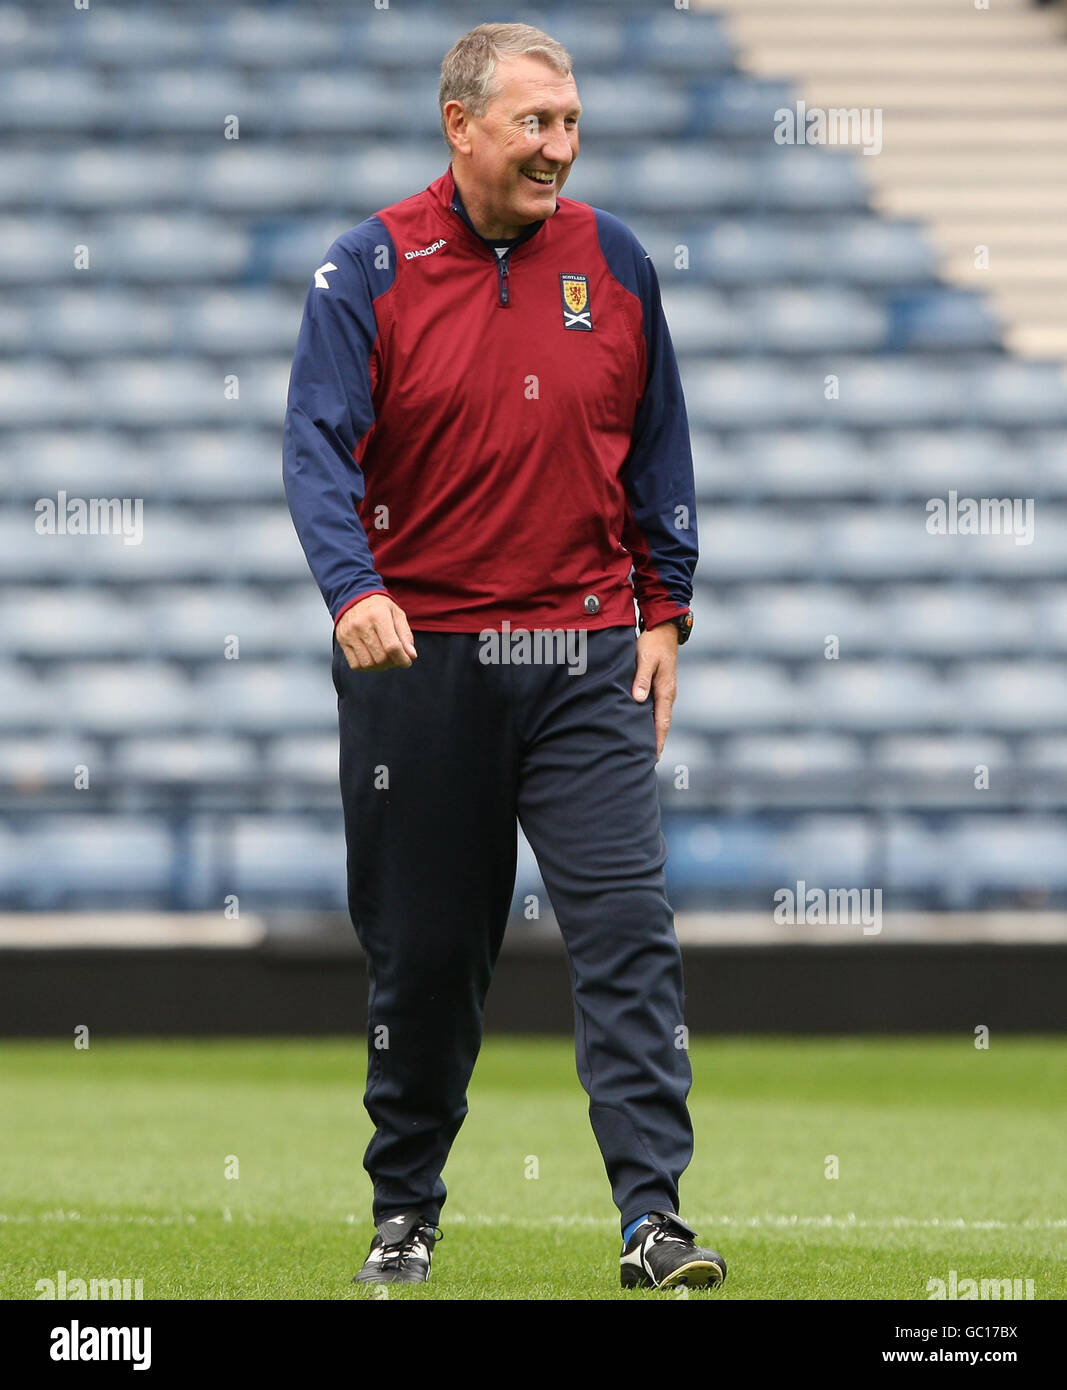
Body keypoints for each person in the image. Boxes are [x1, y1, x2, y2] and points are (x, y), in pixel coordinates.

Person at [282, 21, 725, 1293]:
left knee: (629, 929)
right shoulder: (365, 267)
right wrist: (350, 588)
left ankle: (652, 1220)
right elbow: (315, 448)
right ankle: (404, 1209)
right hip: (420, 662)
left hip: (582, 653)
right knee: (424, 953)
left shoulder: (618, 261)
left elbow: (658, 452)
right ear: (459, 124)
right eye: (534, 123)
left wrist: (663, 607)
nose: (559, 148)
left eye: (571, 123)